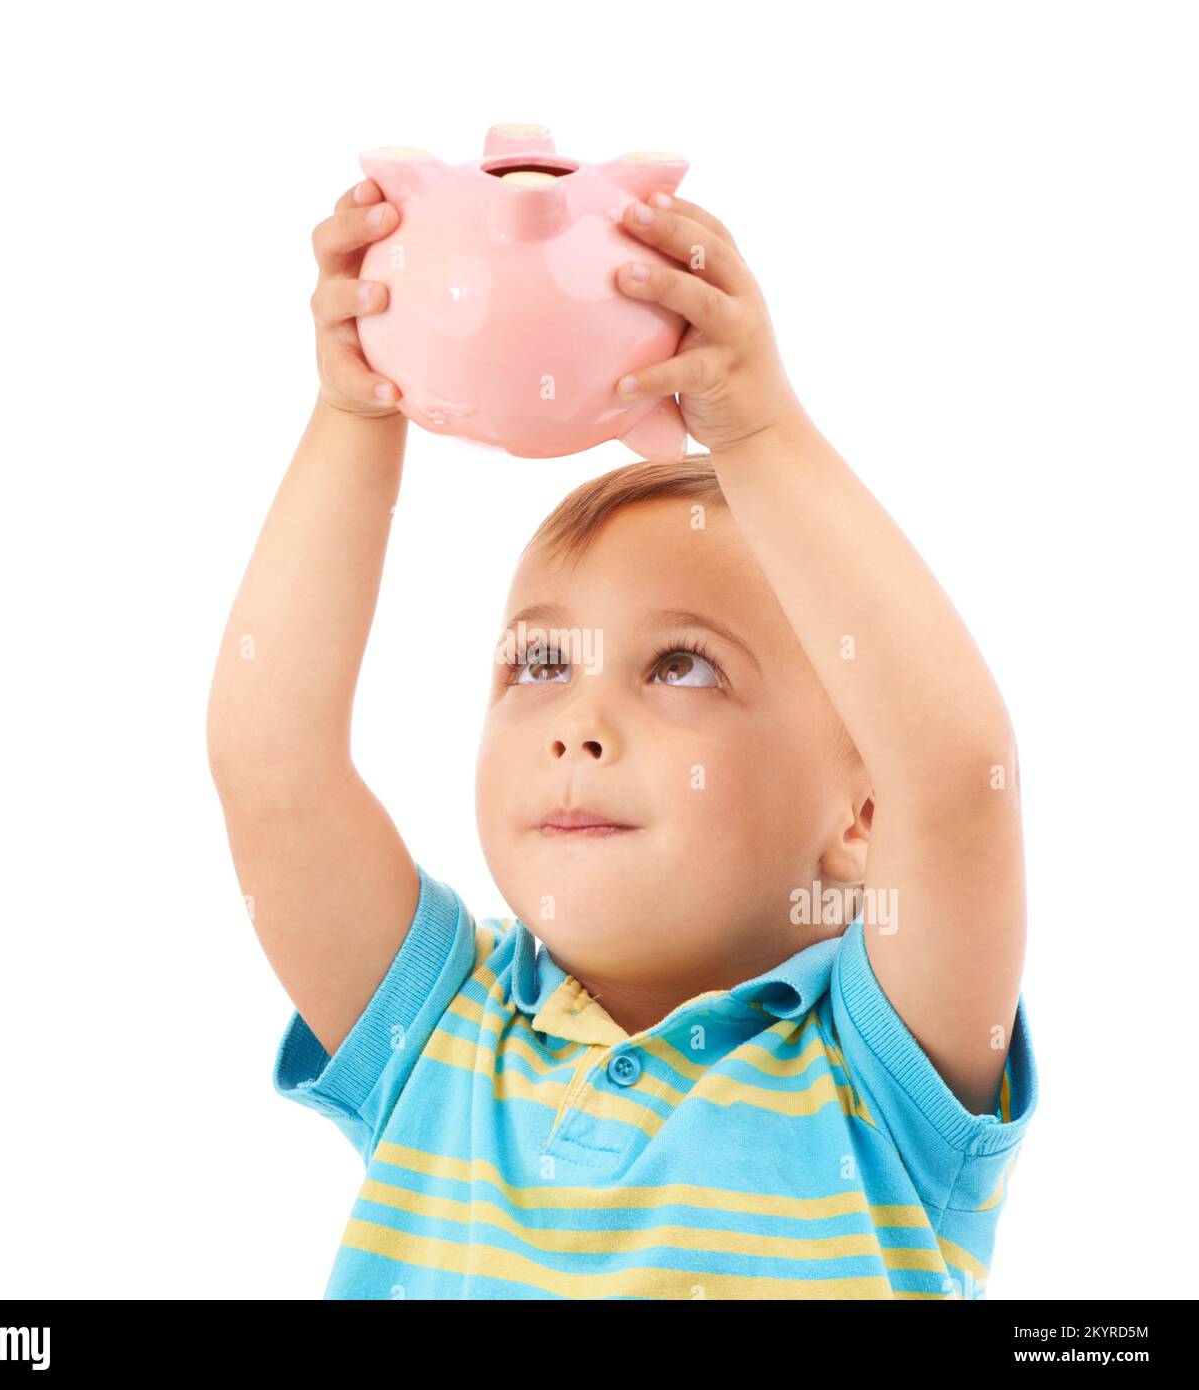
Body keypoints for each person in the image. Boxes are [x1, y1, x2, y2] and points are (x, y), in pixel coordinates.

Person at [205, 176, 1037, 1300]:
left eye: (680, 665)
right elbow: (272, 762)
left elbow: (956, 778)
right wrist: (355, 412)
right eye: (539, 663)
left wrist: (761, 427)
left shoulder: (877, 1080)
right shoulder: (440, 1027)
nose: (578, 725)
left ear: (862, 815)